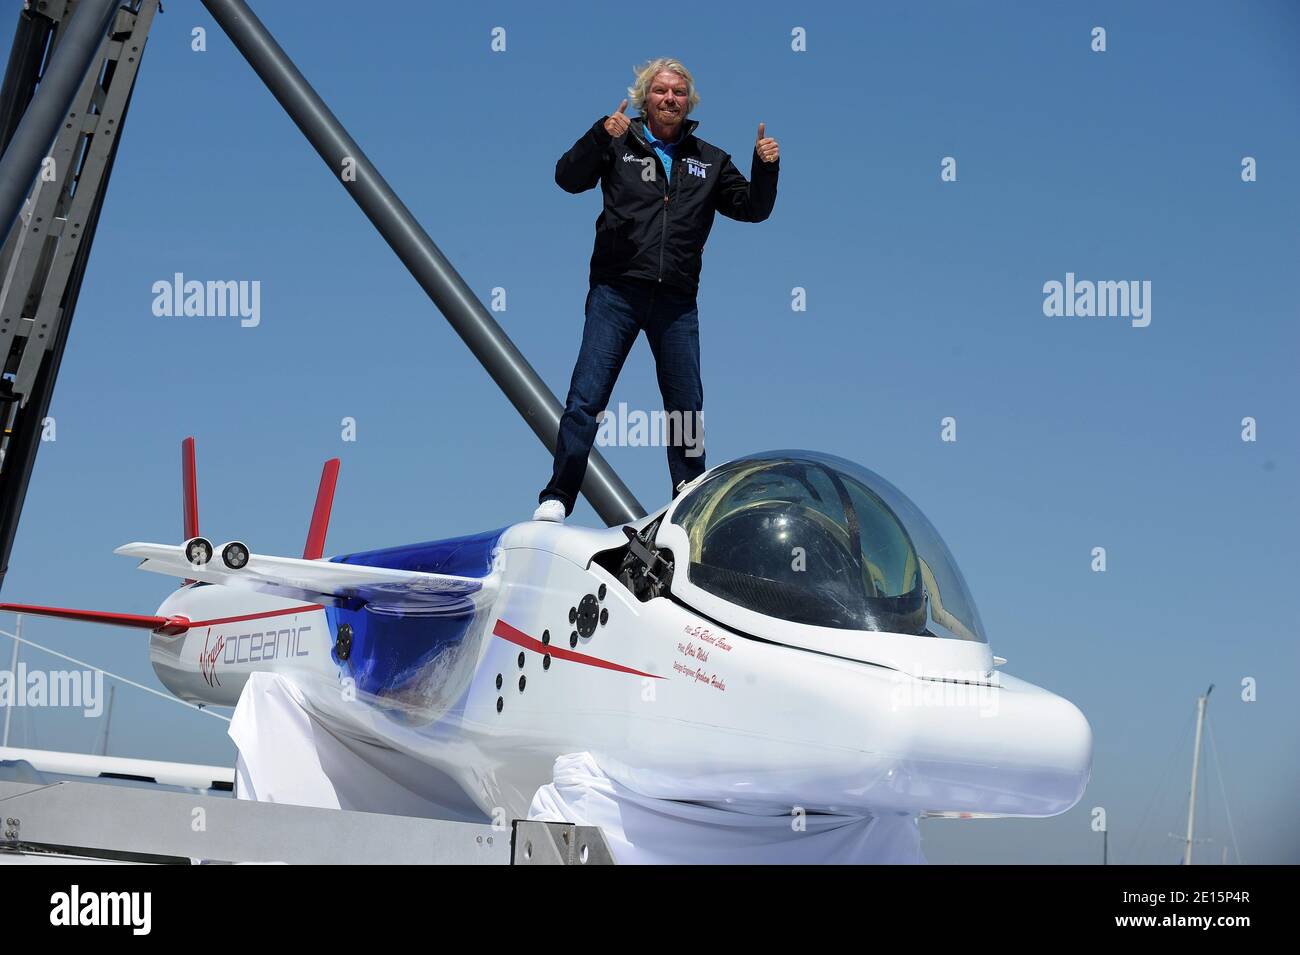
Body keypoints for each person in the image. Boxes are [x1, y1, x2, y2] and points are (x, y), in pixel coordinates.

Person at [534, 57, 780, 523]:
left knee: (685, 404)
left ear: (689, 103)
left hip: (676, 301)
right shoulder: (618, 141)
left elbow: (753, 208)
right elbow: (566, 179)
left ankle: (688, 493)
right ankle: (559, 494)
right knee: (586, 398)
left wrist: (765, 167)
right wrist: (599, 136)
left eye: (679, 93)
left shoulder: (709, 160)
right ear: (645, 98)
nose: (670, 99)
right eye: (661, 91)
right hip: (616, 292)